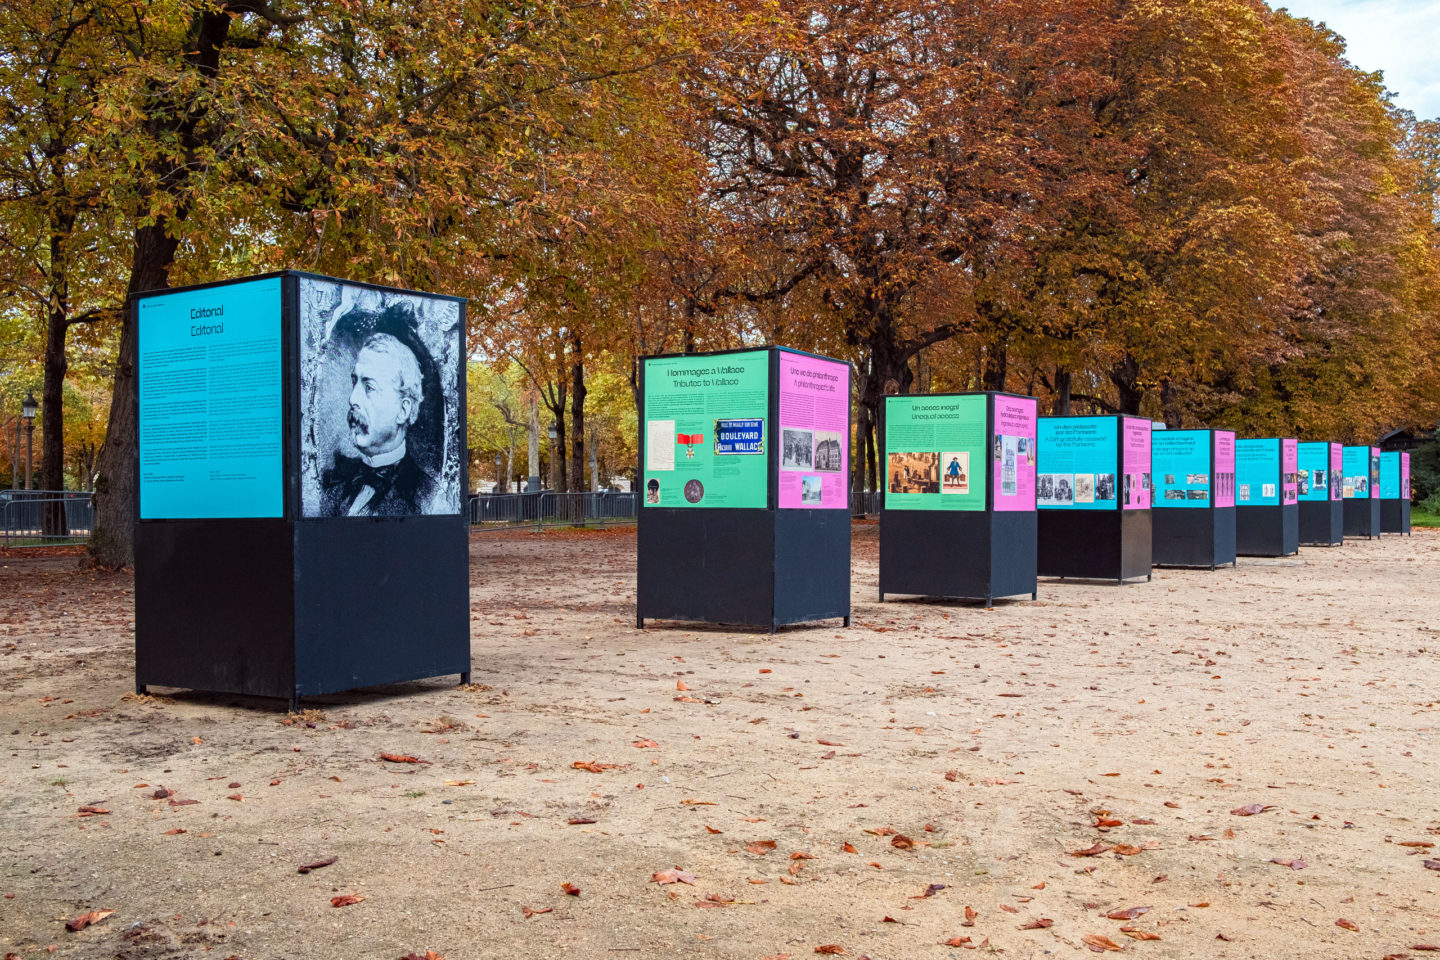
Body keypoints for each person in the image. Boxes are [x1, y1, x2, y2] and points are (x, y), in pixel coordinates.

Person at [319, 332, 436, 516]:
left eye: (369, 387)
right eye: (354, 383)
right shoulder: (332, 481)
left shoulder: (426, 495)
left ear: (403, 410)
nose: (352, 399)